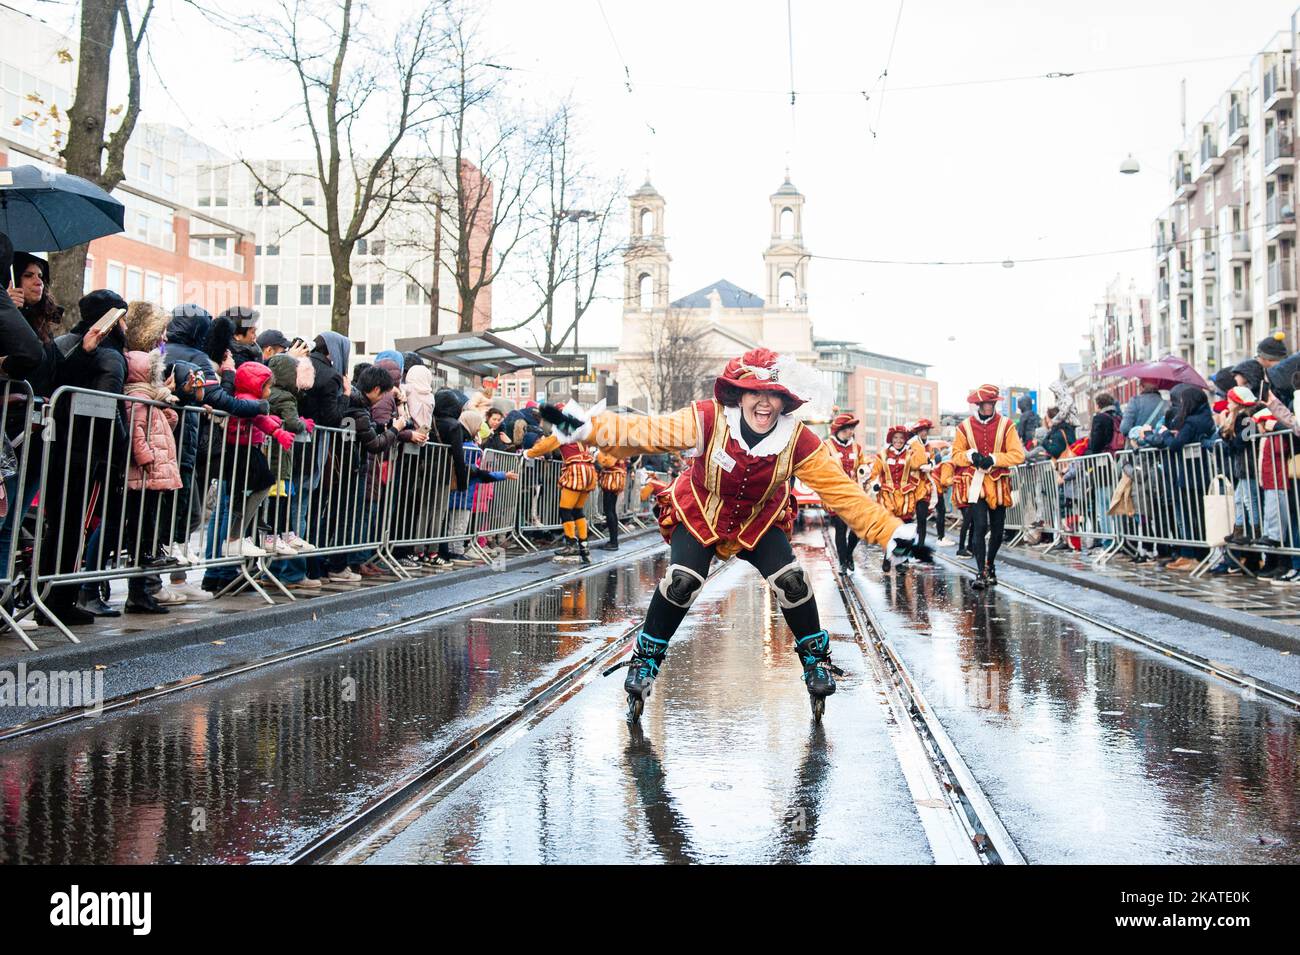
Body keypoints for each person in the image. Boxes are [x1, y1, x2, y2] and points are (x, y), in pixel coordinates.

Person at [539, 347, 924, 720]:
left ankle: (814, 661)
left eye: (773, 395)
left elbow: (843, 493)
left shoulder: (798, 440)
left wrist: (890, 531)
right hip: (702, 512)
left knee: (791, 581)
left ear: (784, 402)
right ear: (739, 395)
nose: (764, 404)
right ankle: (645, 660)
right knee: (682, 582)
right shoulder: (707, 419)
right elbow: (646, 431)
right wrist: (590, 429)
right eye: (755, 393)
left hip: (759, 520)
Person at [122, 350, 183, 613]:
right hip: (146, 471)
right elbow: (136, 430)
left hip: (155, 472)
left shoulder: (149, 396)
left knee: (150, 526)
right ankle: (138, 593)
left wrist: (164, 401)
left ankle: (142, 591)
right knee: (141, 530)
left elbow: (169, 421)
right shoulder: (137, 396)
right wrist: (144, 455)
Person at [950, 383, 1027, 589]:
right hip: (975, 483)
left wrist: (994, 458)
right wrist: (970, 455)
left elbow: (1017, 455)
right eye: (984, 404)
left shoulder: (1006, 425)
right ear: (978, 405)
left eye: (991, 403)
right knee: (980, 526)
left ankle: (990, 564)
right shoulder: (964, 427)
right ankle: (981, 572)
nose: (988, 407)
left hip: (998, 483)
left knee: (998, 528)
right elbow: (955, 455)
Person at [526, 401, 599, 564]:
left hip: (576, 471)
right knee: (578, 510)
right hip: (588, 470)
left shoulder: (563, 429)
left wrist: (528, 453)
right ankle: (584, 546)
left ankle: (571, 543)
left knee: (565, 509)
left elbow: (546, 445)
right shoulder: (581, 428)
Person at [867, 424, 930, 571]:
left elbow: (921, 462)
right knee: (890, 530)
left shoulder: (911, 453)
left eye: (901, 438)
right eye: (895, 438)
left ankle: (900, 562)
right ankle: (887, 557)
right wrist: (875, 484)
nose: (898, 441)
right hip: (888, 498)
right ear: (891, 439)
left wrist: (916, 442)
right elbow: (874, 474)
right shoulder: (882, 455)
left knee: (905, 531)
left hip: (906, 498)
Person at [823, 412, 866, 571]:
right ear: (841, 429)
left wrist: (863, 469)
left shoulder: (857, 447)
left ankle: (848, 554)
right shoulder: (826, 446)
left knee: (858, 529)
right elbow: (821, 467)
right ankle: (842, 562)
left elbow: (863, 464)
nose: (852, 432)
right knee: (840, 529)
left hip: (854, 493)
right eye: (850, 428)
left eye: (852, 429)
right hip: (836, 494)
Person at [595, 449, 628, 551]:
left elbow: (609, 462)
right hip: (614, 478)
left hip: (612, 479)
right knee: (611, 511)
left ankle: (613, 542)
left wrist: (598, 456)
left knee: (609, 511)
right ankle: (613, 541)